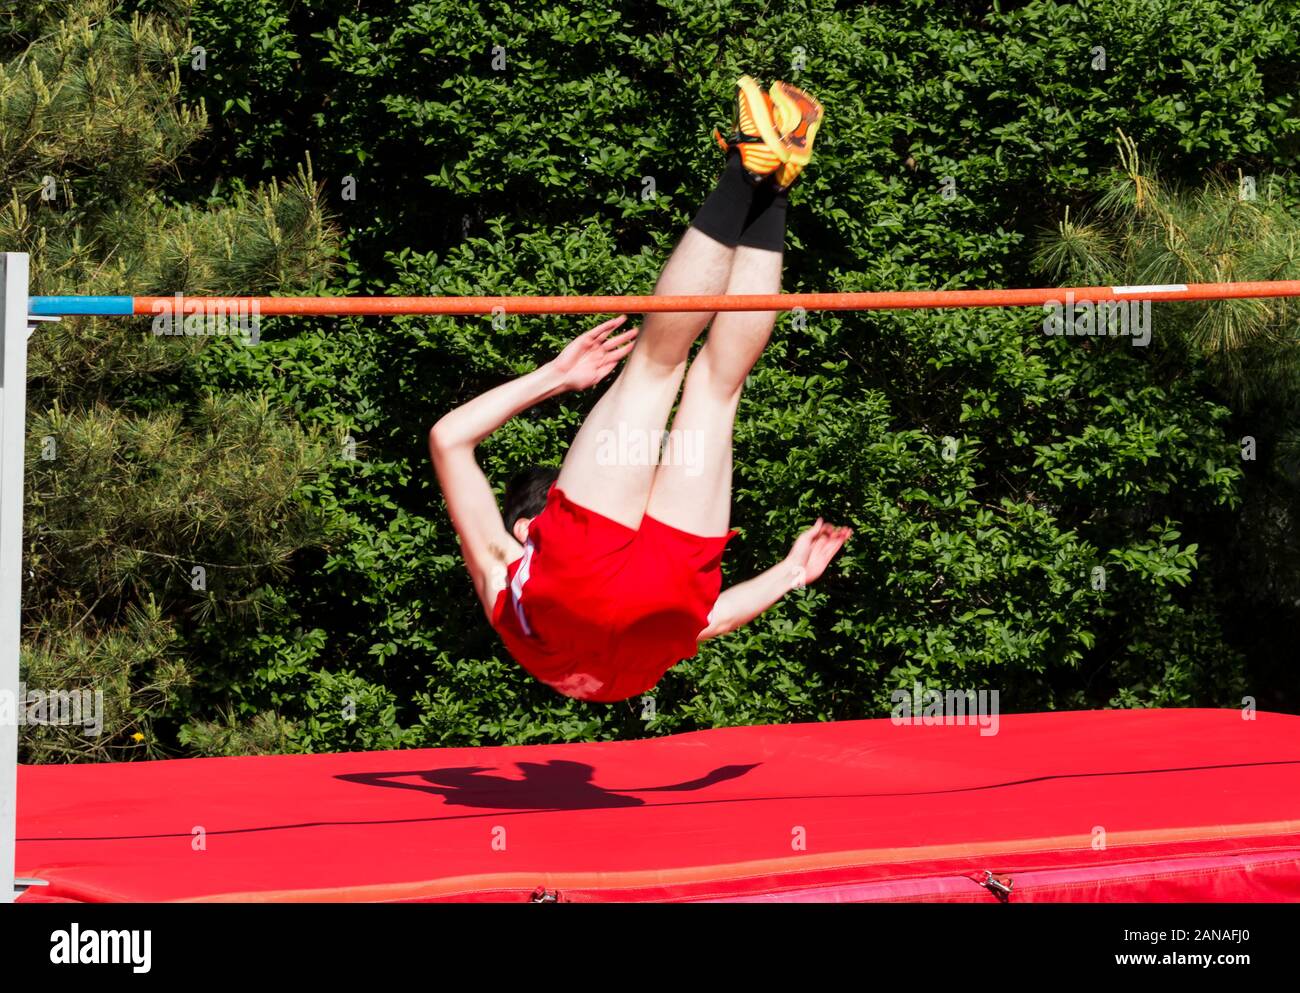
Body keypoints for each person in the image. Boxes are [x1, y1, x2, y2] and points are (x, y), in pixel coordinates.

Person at [429, 75, 851, 703]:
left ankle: (775, 185)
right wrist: (556, 377)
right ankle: (749, 172)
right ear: (529, 529)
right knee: (658, 364)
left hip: (661, 610)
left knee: (717, 388)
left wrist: (790, 574)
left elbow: (715, 618)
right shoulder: (504, 564)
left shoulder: (517, 588)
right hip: (597, 582)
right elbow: (448, 438)